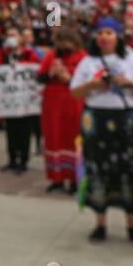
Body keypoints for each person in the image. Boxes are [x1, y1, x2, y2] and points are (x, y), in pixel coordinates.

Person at [70, 17, 133, 244]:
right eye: (100, 33)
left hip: (126, 121)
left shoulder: (131, 59)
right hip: (96, 120)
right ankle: (100, 223)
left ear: (117, 36)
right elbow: (75, 92)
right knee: (98, 168)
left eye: (109, 32)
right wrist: (93, 85)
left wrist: (127, 83)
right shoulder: (88, 61)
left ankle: (132, 224)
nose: (104, 37)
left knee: (130, 168)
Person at [38, 28, 86, 192]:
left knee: (73, 139)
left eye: (65, 42)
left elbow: (87, 81)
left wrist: (68, 78)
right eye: (59, 42)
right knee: (54, 138)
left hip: (74, 103)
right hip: (53, 105)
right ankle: (56, 179)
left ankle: (74, 180)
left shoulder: (82, 57)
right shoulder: (51, 56)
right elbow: (40, 77)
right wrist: (51, 73)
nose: (62, 45)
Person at [0, 26, 42, 173]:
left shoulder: (29, 53)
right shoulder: (2, 54)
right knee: (10, 131)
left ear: (20, 38)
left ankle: (23, 161)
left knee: (24, 131)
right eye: (8, 35)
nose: (11, 38)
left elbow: (36, 70)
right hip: (9, 101)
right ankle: (12, 159)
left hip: (25, 101)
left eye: (14, 35)